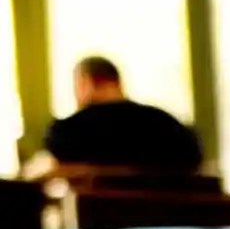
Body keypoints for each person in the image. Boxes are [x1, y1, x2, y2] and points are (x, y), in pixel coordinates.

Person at [36, 57, 203, 175]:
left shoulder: (66, 133)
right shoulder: (171, 127)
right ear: (118, 82)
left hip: (98, 219)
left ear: (84, 82)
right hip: (170, 219)